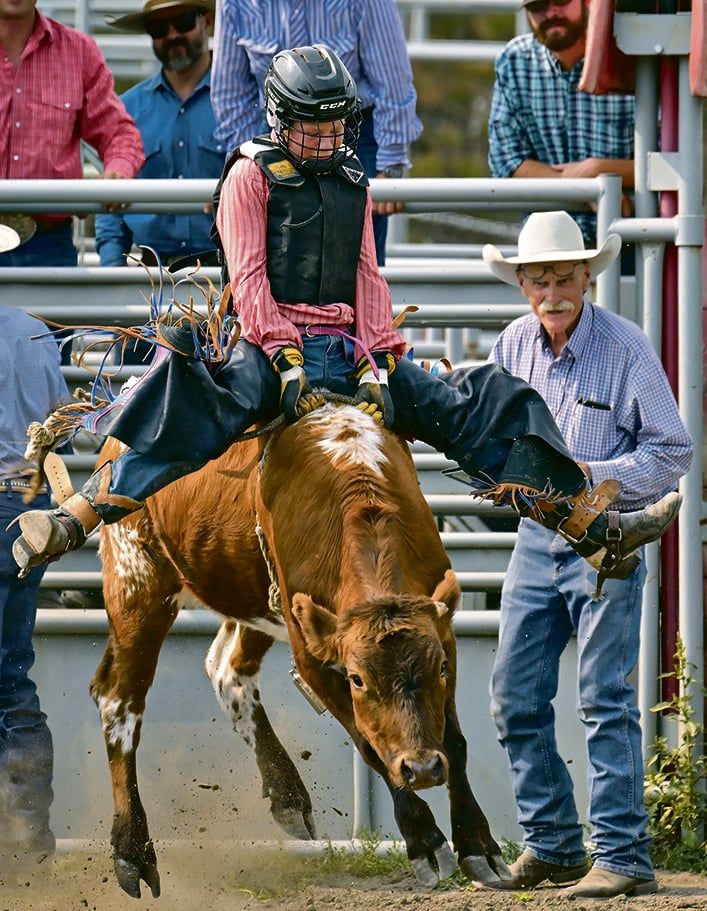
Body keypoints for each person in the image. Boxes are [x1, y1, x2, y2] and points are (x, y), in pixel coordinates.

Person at [11, 48, 679, 637]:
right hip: (266, 346)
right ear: (281, 118)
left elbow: (366, 274)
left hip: (349, 349)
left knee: (479, 403)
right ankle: (76, 517)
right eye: (316, 124)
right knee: (191, 407)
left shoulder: (351, 177)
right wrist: (282, 357)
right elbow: (249, 276)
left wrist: (380, 357)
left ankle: (590, 526)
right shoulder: (249, 176)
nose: (330, 136)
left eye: (337, 123)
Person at [479, 210, 693, 898]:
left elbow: (673, 450)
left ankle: (622, 855)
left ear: (585, 278)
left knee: (603, 696)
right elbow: (490, 431)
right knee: (514, 695)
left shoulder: (625, 347)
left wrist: (588, 477)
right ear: (522, 284)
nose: (553, 293)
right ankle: (554, 845)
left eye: (564, 278)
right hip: (536, 536)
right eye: (540, 280)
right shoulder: (511, 346)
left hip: (607, 540)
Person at [211, 0, 422, 265]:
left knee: (357, 256)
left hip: (351, 128)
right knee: (278, 252)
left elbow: (392, 80)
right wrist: (245, 168)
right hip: (277, 130)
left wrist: (390, 167)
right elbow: (231, 92)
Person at [0, 222, 71, 879]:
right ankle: (27, 837)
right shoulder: (33, 332)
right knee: (12, 673)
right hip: (24, 509)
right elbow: (60, 427)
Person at [0, 0, 145, 270]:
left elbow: (118, 132)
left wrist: (118, 169)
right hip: (48, 244)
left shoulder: (78, 51)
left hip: (47, 243)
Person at [488, 0, 635, 251]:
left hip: (631, 242)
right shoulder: (514, 59)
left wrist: (597, 169)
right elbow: (506, 163)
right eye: (537, 6)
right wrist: (586, 187)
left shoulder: (629, 52)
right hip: (547, 248)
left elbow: (675, 164)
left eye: (561, 0)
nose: (551, 12)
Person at [96, 0, 226, 269]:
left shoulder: (240, 103)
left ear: (207, 22)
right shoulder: (127, 109)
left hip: (227, 274)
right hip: (150, 277)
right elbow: (110, 209)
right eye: (158, 28)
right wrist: (112, 274)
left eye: (183, 22)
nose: (172, 35)